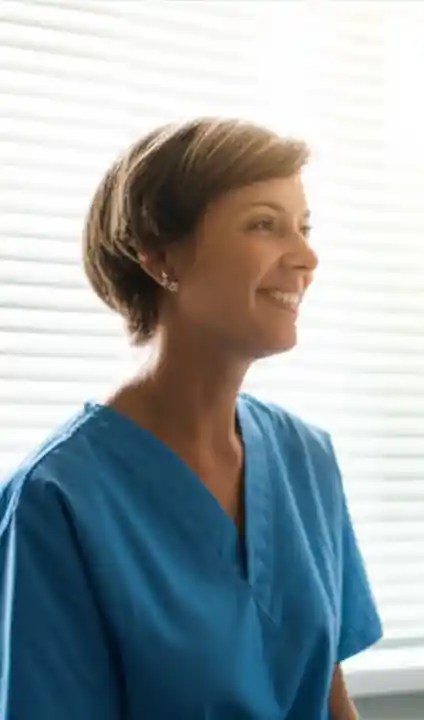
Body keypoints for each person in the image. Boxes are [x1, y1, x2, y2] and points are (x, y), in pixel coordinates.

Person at [0, 118, 382, 718]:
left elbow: (332, 701)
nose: (306, 257)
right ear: (159, 256)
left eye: (304, 228)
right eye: (264, 224)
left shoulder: (306, 458)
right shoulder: (56, 501)